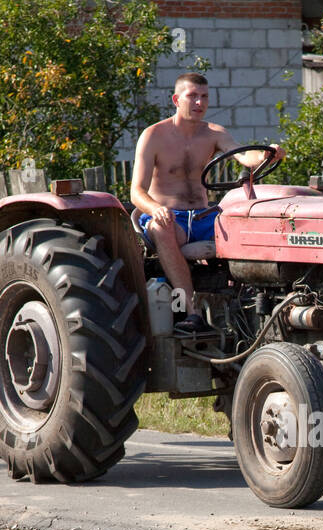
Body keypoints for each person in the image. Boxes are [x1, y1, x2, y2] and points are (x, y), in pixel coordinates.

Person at [131, 72, 285, 336]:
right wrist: (156, 209)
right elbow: (136, 192)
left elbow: (244, 156)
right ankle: (191, 314)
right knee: (160, 227)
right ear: (176, 99)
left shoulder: (214, 133)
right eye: (192, 96)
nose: (199, 103)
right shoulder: (154, 135)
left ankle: (260, 307)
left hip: (204, 218)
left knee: (247, 222)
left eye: (204, 97)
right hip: (170, 218)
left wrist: (266, 154)